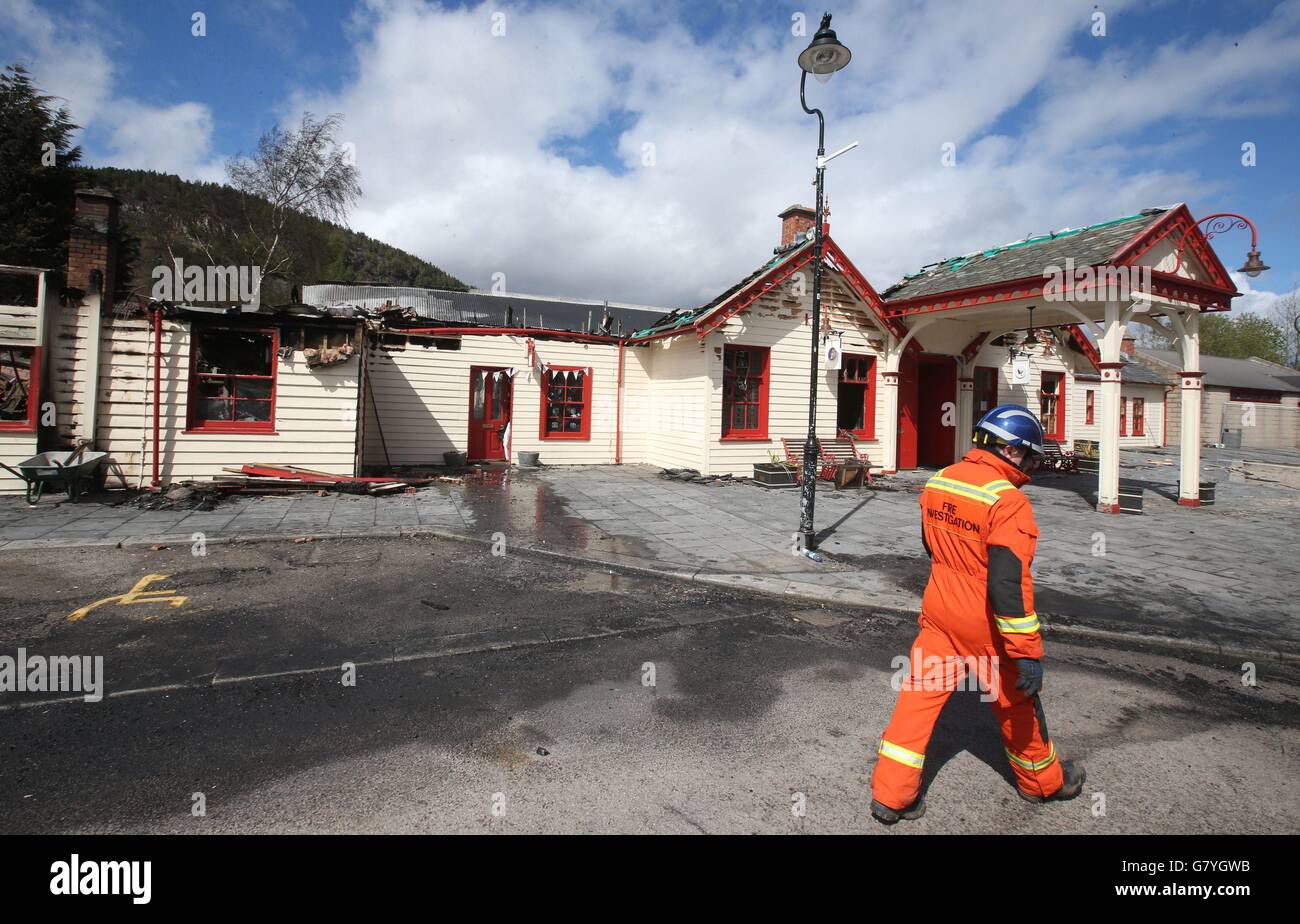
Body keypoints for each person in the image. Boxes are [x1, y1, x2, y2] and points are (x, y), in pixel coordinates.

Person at [870, 404, 1085, 824]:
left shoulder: (939, 479)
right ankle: (1044, 783)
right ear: (1014, 452)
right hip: (983, 620)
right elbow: (1007, 585)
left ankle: (891, 796)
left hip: (939, 606)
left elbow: (930, 547)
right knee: (1016, 704)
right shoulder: (1009, 502)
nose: (1032, 467)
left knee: (916, 701)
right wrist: (1025, 652)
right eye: (1032, 458)